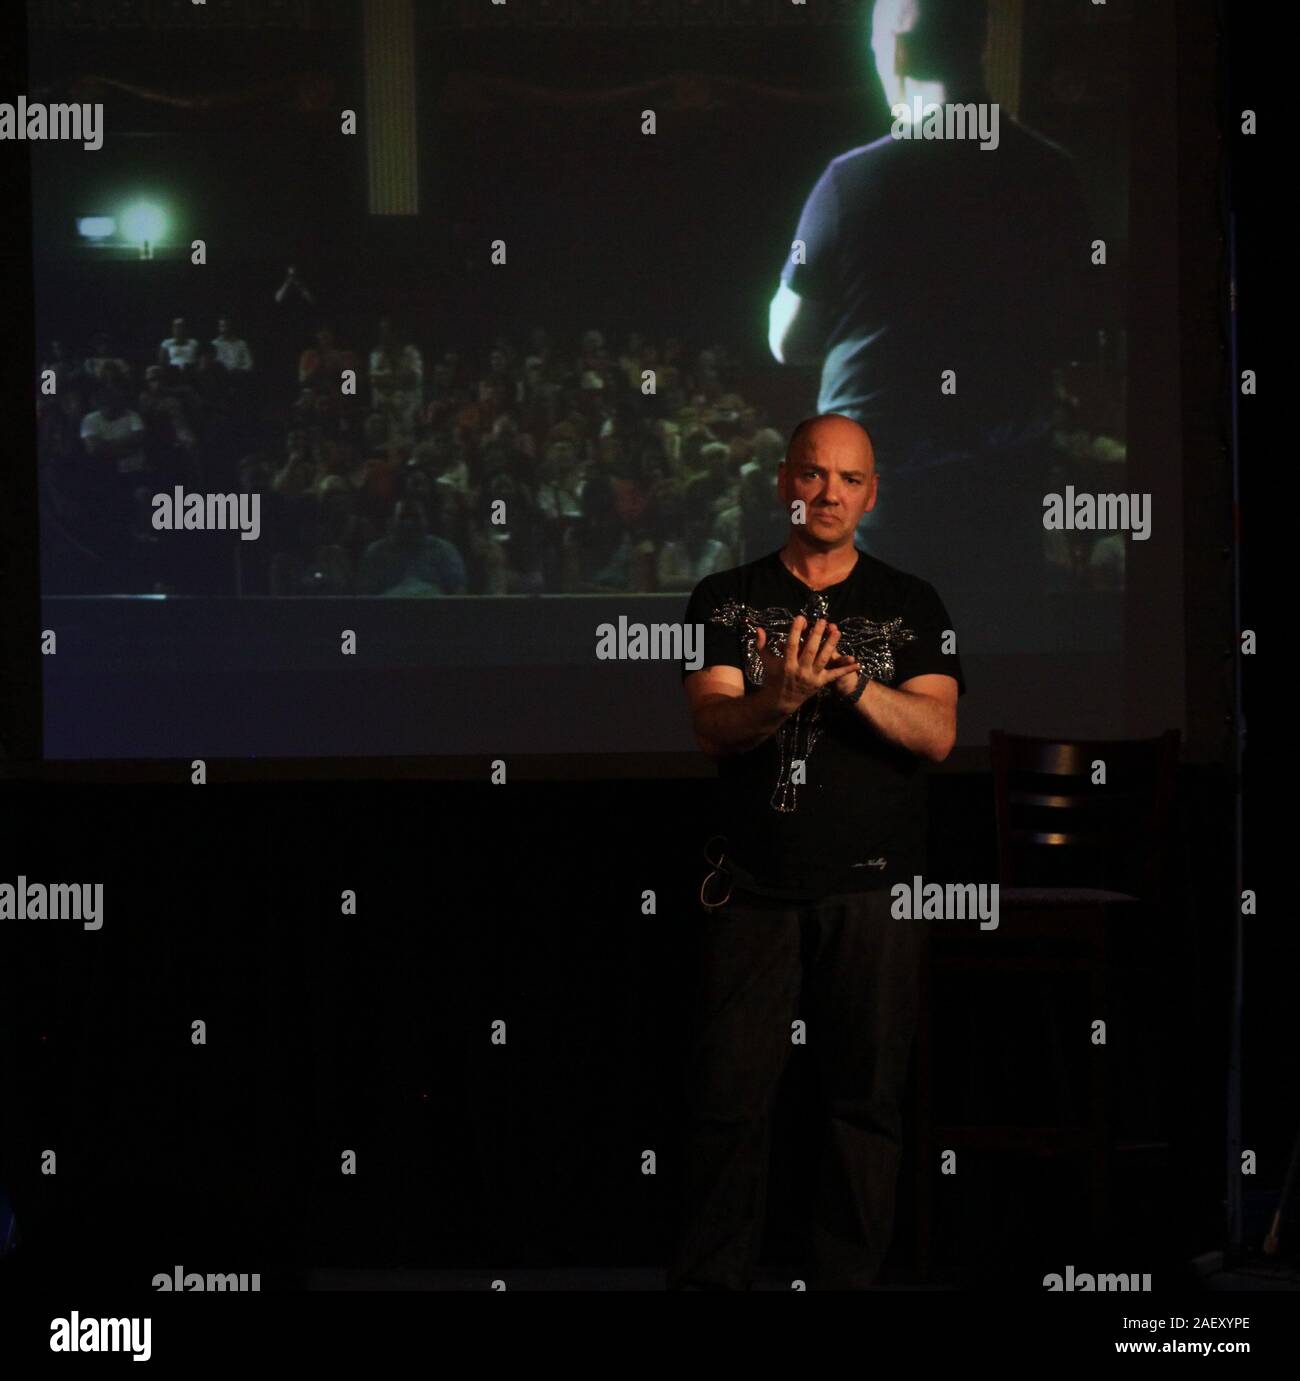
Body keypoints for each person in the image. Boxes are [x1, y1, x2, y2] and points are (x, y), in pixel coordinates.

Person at [669, 413, 965, 1291]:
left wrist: (849, 686)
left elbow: (937, 733)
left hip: (874, 897)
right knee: (726, 1106)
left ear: (872, 494)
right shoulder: (720, 598)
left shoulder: (914, 604)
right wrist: (778, 695)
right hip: (753, 891)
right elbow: (715, 726)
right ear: (783, 483)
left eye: (847, 479)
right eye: (812, 474)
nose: (827, 492)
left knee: (862, 1108)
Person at [769, 0, 1095, 650]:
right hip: (1002, 499)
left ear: (895, 48)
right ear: (978, 44)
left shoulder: (851, 181)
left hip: (886, 507)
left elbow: (786, 339)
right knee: (996, 682)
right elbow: (1078, 334)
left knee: (874, 696)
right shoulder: (1053, 174)